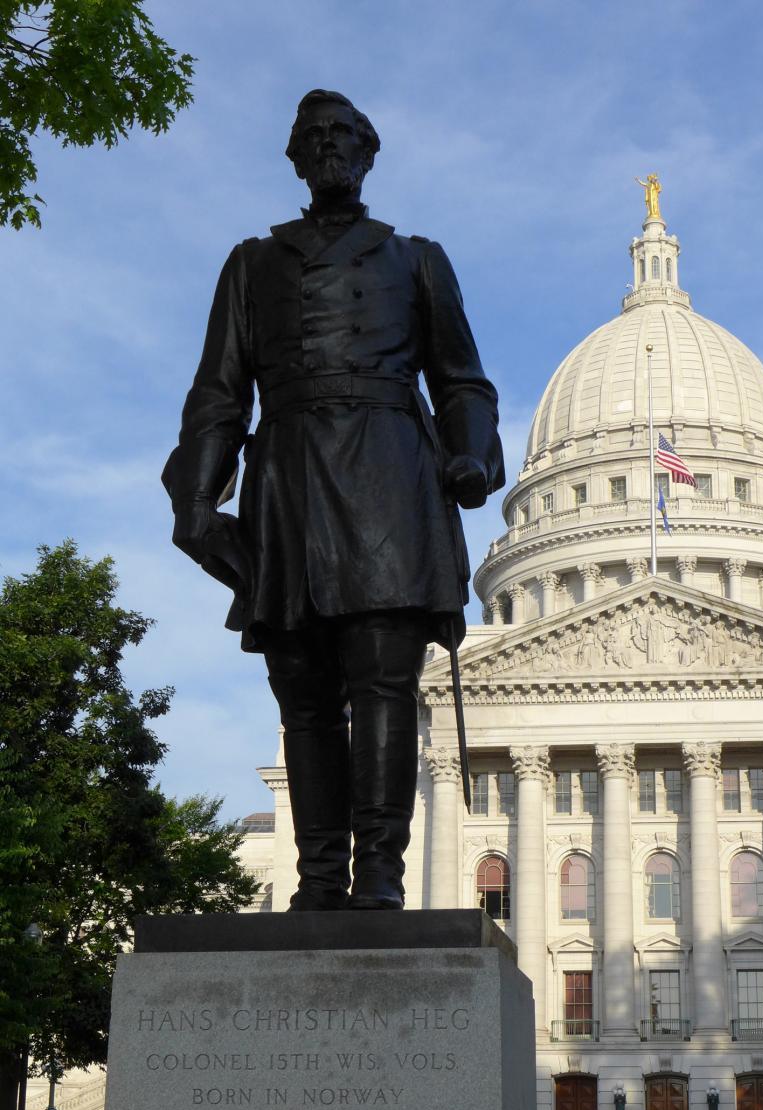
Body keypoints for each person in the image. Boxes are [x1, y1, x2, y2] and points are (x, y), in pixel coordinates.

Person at [163, 90, 503, 912]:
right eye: (312, 138)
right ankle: (318, 876)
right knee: (303, 686)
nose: (328, 148)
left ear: (367, 150)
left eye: (341, 135)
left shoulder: (417, 259)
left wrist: (468, 454)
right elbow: (218, 392)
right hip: (287, 478)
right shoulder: (252, 264)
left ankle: (379, 870)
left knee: (381, 679)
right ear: (295, 158)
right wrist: (198, 497)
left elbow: (462, 381)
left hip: (388, 472)